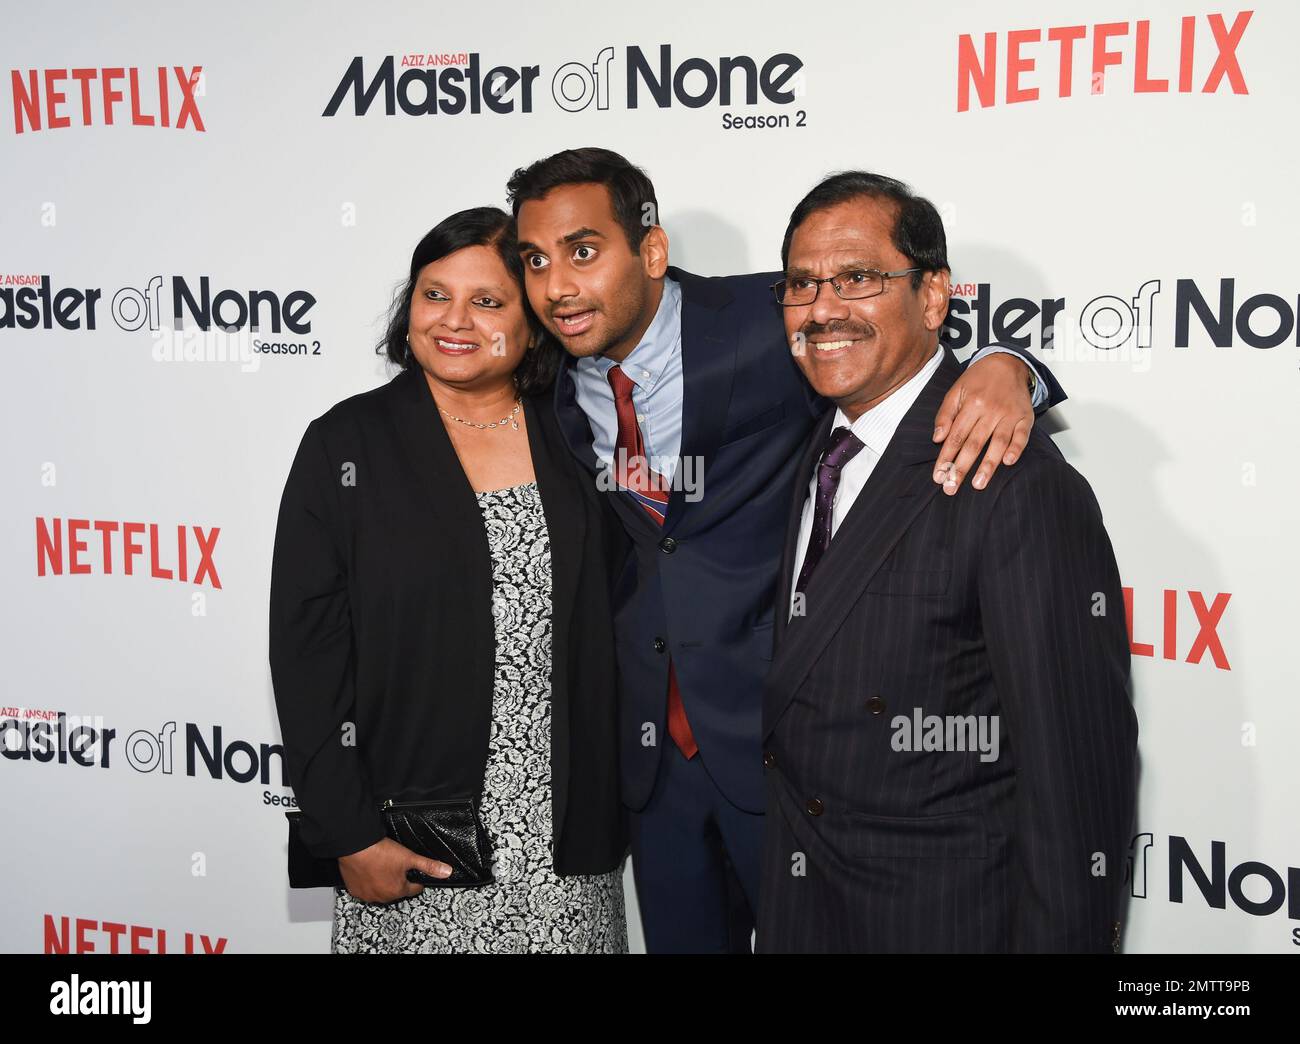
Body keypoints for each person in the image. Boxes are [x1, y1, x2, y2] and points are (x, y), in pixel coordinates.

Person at [506, 148, 1067, 952]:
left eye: (583, 251)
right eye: (536, 260)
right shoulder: (555, 378)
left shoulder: (769, 319)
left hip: (783, 739)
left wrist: (1011, 367)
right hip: (652, 756)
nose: (558, 285)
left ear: (652, 251)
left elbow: (895, 345)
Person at [756, 172, 1138, 953]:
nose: (824, 308)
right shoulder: (818, 441)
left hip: (942, 922)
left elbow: (1075, 773)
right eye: (801, 284)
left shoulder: (1013, 480)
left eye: (858, 278)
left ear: (934, 298)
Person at [268, 207, 628, 954]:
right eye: (435, 296)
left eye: (488, 302)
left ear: (533, 322)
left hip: (566, 846)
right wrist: (348, 833)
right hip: (413, 844)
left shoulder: (582, 433)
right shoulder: (347, 443)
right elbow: (306, 660)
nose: (455, 320)